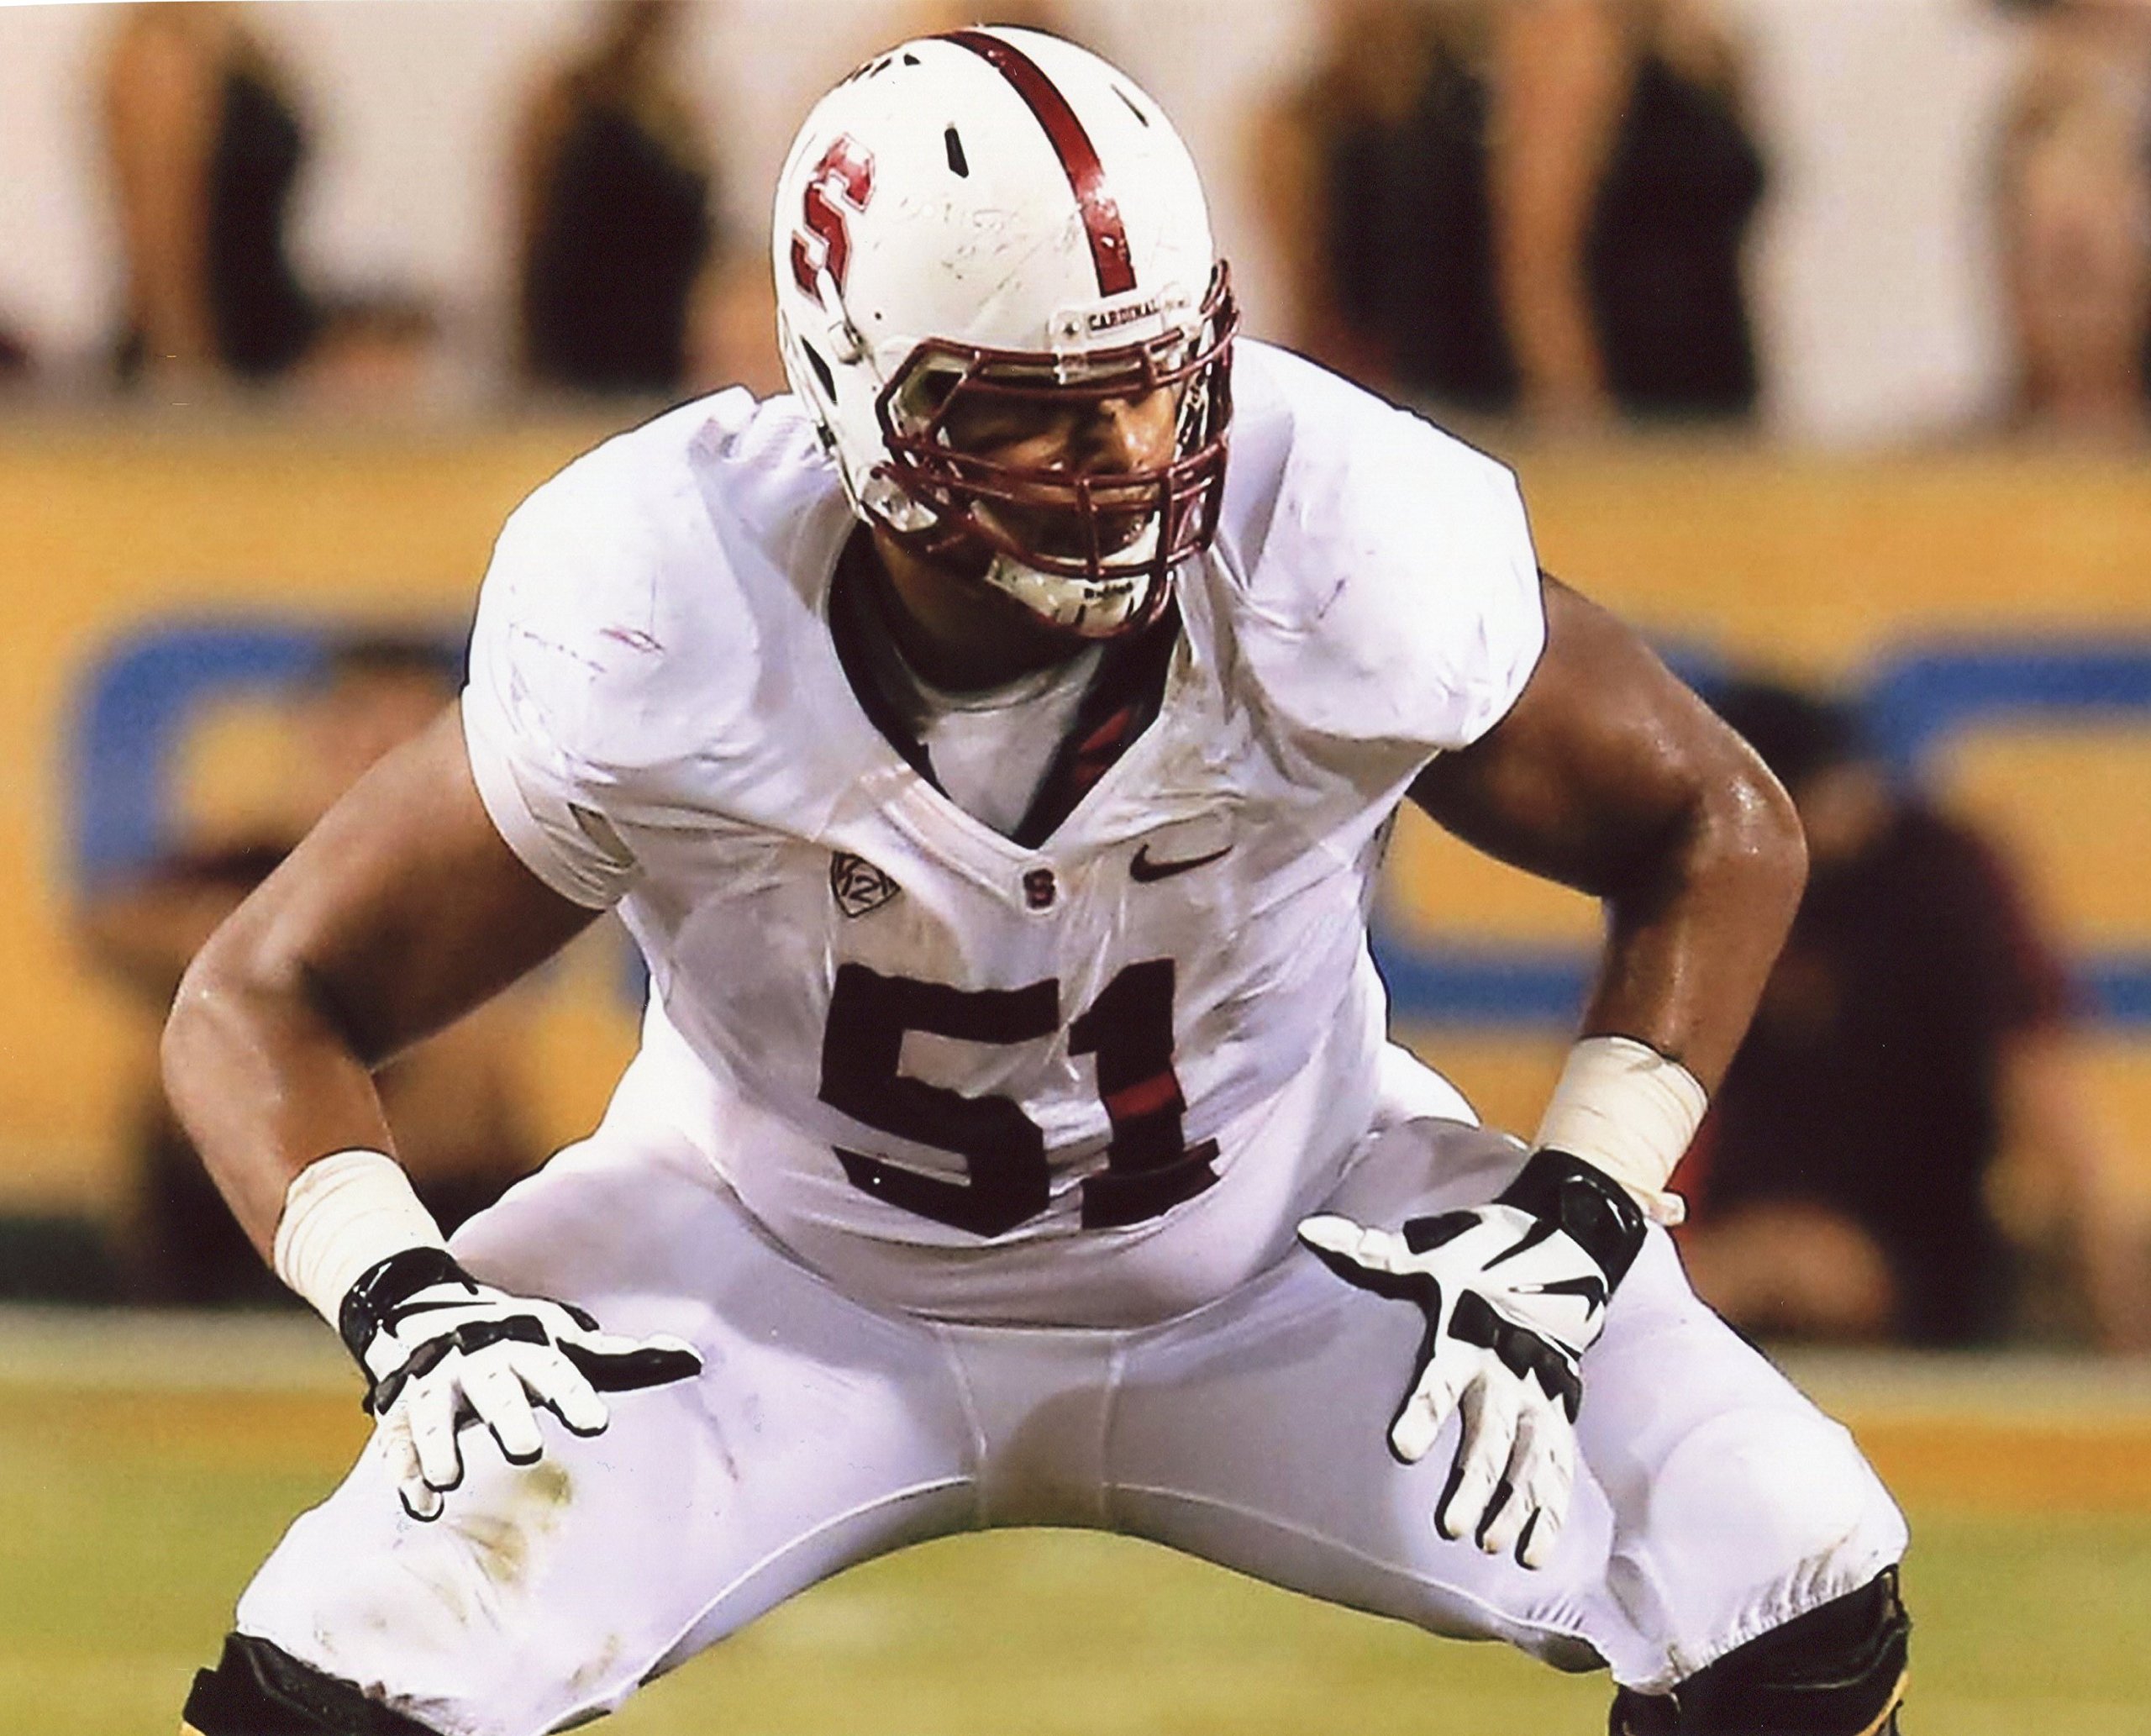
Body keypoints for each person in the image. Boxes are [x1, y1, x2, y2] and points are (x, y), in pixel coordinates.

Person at [168, 29, 1909, 1736]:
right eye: (1031, 410)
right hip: (768, 1267)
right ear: (851, 390)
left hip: (1284, 1251)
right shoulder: (663, 598)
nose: (1128, 451)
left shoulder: (1334, 526)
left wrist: (1583, 1209)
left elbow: (1716, 825)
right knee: (347, 1667)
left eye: (1155, 376)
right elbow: (265, 992)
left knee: (1788, 1575)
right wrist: (399, 1293)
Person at [1680, 678, 2149, 1349]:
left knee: (1774, 1270)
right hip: (1753, 1232)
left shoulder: (1943, 883)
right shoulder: (1736, 888)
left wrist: (2119, 1317)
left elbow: (2041, 1092)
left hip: (1915, 1256)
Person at [80, 635, 542, 1306]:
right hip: (228, 1233)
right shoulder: (242, 873)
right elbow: (121, 933)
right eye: (355, 730)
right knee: (214, 1022)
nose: (371, 758)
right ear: (314, 734)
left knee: (462, 1055)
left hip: (442, 1214)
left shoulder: (490, 886)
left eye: (400, 737)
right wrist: (265, 966)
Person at [513, 0, 721, 396]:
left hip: (663, 356)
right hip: (578, 354)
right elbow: (532, 235)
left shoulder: (679, 113)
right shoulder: (567, 101)